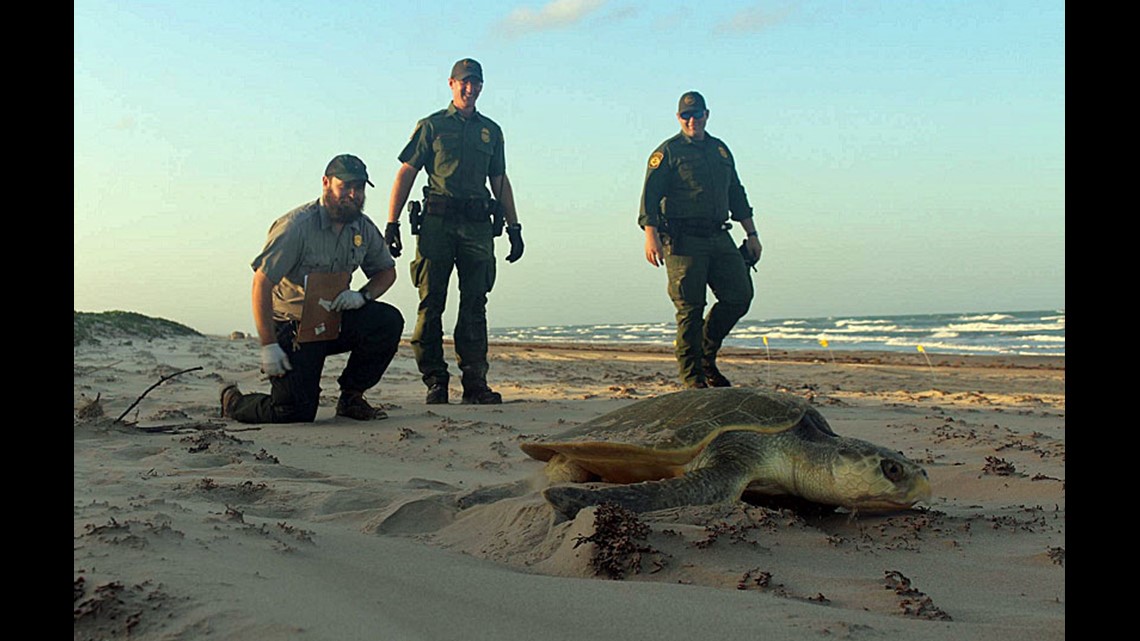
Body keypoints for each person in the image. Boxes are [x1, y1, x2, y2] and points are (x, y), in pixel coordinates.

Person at [220, 154, 405, 423]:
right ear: (326, 183)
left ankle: (351, 396)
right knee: (294, 413)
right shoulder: (296, 227)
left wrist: (362, 296)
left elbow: (386, 271)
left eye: (360, 187)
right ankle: (233, 402)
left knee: (387, 321)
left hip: (334, 319)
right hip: (294, 327)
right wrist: (268, 345)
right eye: (346, 186)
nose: (353, 194)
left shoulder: (363, 228)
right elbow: (262, 282)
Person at [383, 57, 524, 405]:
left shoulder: (491, 131)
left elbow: (500, 180)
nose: (470, 88)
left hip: (477, 225)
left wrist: (514, 225)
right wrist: (392, 223)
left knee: (475, 303)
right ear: (451, 83)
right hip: (438, 224)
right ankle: (435, 379)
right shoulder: (431, 126)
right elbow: (406, 173)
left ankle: (475, 381)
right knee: (432, 302)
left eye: (476, 83)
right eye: (464, 82)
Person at [639, 91, 763, 389]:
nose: (692, 120)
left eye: (697, 114)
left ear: (707, 114)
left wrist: (752, 233)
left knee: (739, 295)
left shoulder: (720, 150)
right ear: (678, 118)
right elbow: (650, 198)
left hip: (719, 235)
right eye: (686, 115)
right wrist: (650, 236)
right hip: (683, 241)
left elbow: (736, 193)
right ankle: (693, 379)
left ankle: (706, 357)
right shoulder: (667, 152)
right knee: (690, 309)